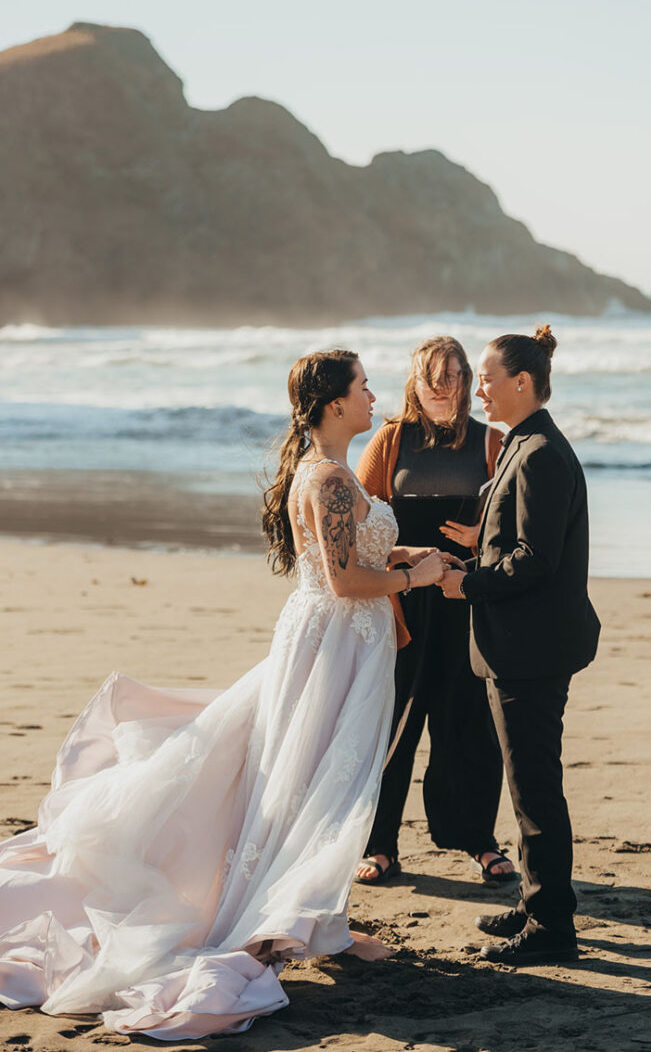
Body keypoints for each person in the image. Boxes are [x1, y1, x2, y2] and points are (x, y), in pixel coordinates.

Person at [0, 350, 445, 1039]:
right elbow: (339, 583)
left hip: (346, 642)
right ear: (334, 406)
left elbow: (351, 561)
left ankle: (321, 921)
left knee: (329, 779)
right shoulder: (327, 478)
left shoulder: (329, 474)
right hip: (334, 645)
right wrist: (414, 581)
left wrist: (397, 558)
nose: (374, 397)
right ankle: (292, 920)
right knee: (324, 780)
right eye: (363, 388)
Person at [440, 326, 601, 965]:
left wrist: (467, 583)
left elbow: (536, 560)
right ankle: (536, 904)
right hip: (520, 644)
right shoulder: (522, 443)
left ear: (522, 382)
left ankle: (553, 929)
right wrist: (484, 536)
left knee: (535, 788)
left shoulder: (540, 453)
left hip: (531, 650)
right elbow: (522, 535)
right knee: (526, 782)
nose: (476, 387)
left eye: (485, 377)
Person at [355, 336, 516, 886]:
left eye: (454, 376)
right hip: (399, 607)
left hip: (466, 604)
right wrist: (401, 567)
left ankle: (479, 840)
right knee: (392, 725)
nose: (443, 388)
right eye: (433, 377)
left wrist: (479, 544)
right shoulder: (390, 441)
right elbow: (358, 524)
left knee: (469, 727)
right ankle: (379, 845)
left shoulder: (493, 443)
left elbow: (512, 532)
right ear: (415, 383)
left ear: (468, 382)